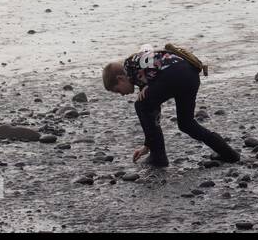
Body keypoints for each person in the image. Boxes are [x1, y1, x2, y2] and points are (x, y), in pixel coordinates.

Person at [102, 44, 240, 167]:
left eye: (118, 90)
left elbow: (148, 52)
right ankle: (229, 154)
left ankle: (158, 158)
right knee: (186, 124)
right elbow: (154, 113)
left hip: (175, 74)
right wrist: (147, 145)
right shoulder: (138, 74)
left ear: (120, 78)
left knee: (141, 105)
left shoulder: (129, 65)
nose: (121, 94)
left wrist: (149, 83)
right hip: (190, 75)